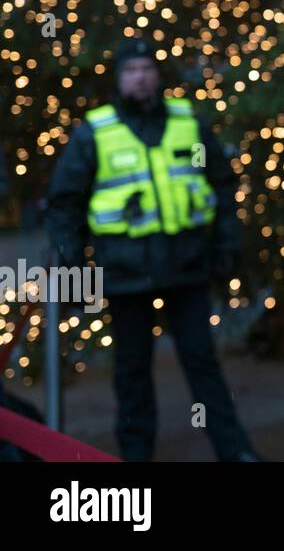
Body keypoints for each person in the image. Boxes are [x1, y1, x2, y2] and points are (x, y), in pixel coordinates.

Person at [45, 37, 260, 461]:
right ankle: (136, 456)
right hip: (127, 276)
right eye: (131, 70)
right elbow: (65, 202)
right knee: (132, 374)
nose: (139, 77)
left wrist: (226, 245)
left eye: (146, 68)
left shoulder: (187, 124)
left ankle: (235, 452)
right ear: (119, 79)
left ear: (157, 75)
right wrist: (72, 266)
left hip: (186, 267)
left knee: (204, 367)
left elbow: (218, 182)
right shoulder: (97, 132)